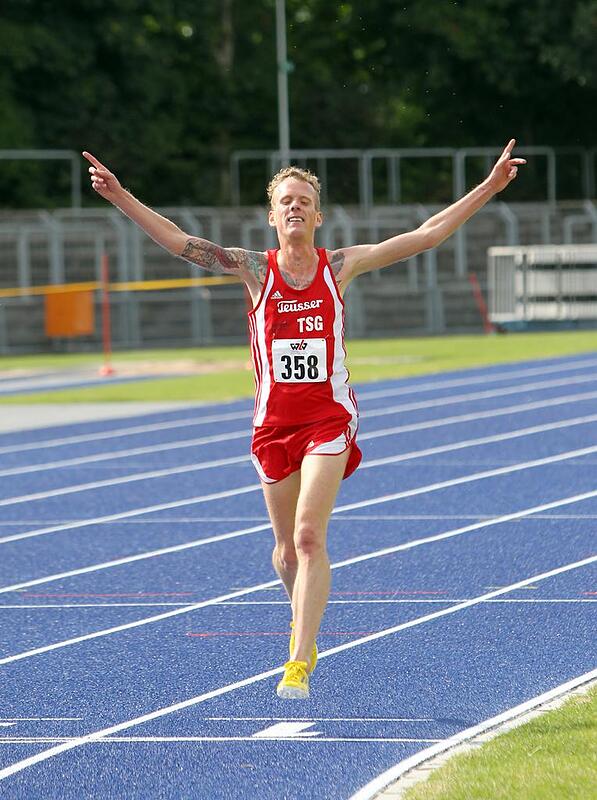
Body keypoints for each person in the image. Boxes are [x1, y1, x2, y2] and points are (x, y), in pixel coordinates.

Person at [82, 141, 525, 699]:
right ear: (272, 216)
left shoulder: (339, 267)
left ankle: (297, 660)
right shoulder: (253, 269)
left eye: (304, 201)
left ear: (318, 216)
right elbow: (179, 242)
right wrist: (120, 195)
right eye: (286, 201)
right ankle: (304, 625)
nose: (295, 208)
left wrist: (488, 188)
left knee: (310, 535)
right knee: (286, 551)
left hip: (328, 420)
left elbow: (424, 236)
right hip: (272, 428)